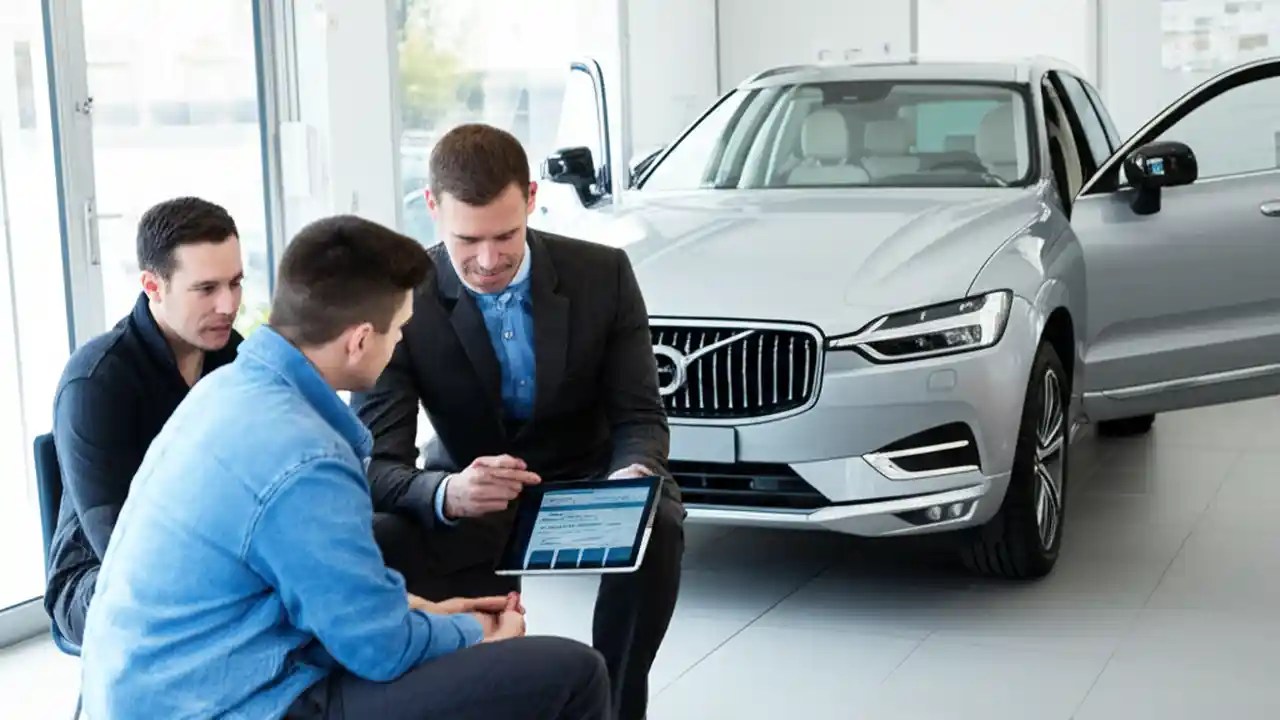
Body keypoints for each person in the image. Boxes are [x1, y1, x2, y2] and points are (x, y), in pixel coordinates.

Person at [80, 215, 611, 720]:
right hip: (233, 703)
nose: (401, 340)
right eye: (399, 328)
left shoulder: (228, 389)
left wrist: (433, 612)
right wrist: (474, 631)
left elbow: (317, 586)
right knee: (573, 672)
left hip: (156, 690)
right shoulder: (305, 457)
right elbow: (381, 651)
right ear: (359, 341)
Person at [352, 123, 684, 720]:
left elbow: (639, 415)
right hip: (471, 491)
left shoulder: (602, 274)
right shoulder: (402, 299)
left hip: (587, 479)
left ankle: (611, 702)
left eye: (506, 235)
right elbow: (377, 462)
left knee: (659, 521)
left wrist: (631, 472)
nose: (488, 260)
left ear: (531, 198)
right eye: (467, 240)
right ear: (432, 208)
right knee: (381, 533)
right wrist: (448, 492)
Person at [45, 196, 244, 646]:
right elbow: (121, 551)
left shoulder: (232, 355)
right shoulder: (95, 382)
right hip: (100, 577)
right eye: (206, 288)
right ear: (153, 286)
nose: (228, 305)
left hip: (212, 544)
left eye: (235, 283)